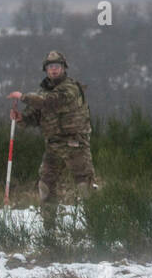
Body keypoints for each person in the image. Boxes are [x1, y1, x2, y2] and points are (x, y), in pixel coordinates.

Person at [8, 50, 95, 228]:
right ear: (46, 70)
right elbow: (35, 116)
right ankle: (49, 229)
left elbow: (49, 101)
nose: (54, 70)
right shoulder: (42, 92)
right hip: (53, 146)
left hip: (75, 144)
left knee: (84, 186)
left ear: (63, 68)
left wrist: (23, 97)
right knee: (45, 185)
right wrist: (21, 119)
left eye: (57, 66)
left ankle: (96, 226)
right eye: (50, 67)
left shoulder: (70, 88)